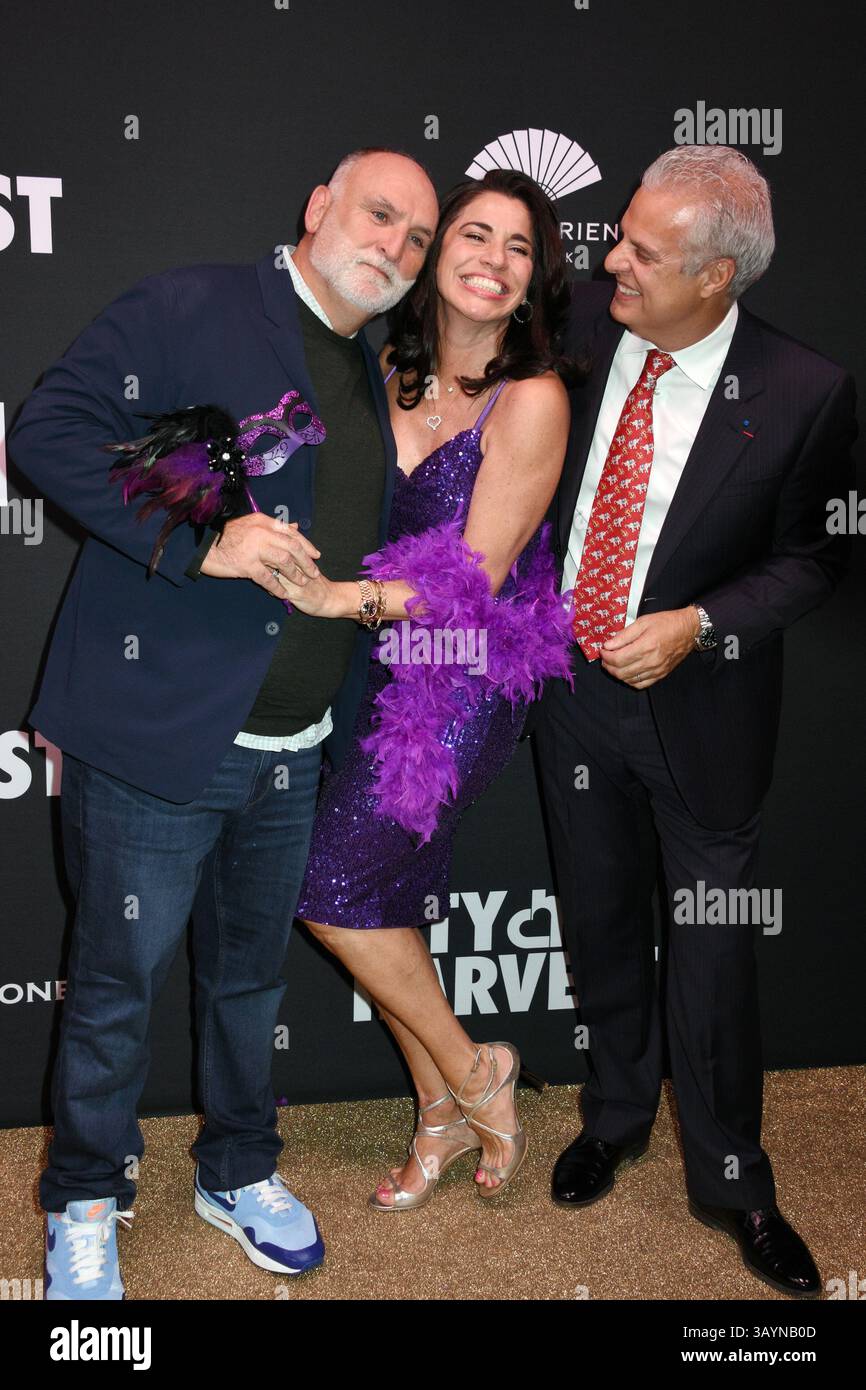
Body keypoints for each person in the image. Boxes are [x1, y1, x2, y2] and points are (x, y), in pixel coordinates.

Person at [8, 147, 439, 1297]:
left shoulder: (377, 368)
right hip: (157, 742)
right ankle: (86, 1194)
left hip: (293, 750)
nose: (393, 247)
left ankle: (237, 1167)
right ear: (317, 206)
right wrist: (206, 542)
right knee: (112, 990)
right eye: (378, 215)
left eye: (415, 238)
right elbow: (46, 434)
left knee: (248, 987)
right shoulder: (187, 303)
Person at [525, 144, 857, 1297]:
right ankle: (613, 1116)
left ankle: (732, 1181)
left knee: (710, 960)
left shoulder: (803, 390)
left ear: (717, 277)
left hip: (702, 716)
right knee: (602, 922)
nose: (609, 259)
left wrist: (701, 621)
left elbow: (812, 560)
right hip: (569, 702)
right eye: (617, 234)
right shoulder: (568, 320)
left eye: (643, 253)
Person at [282, 168, 578, 1210]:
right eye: (474, 234)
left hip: (456, 676)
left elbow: (473, 579)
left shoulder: (530, 395)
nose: (492, 260)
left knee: (328, 887)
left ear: (535, 279)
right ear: (428, 249)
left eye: (518, 248)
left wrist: (334, 599)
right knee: (386, 900)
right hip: (369, 665)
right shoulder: (381, 370)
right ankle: (441, 1116)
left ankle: (474, 1069)